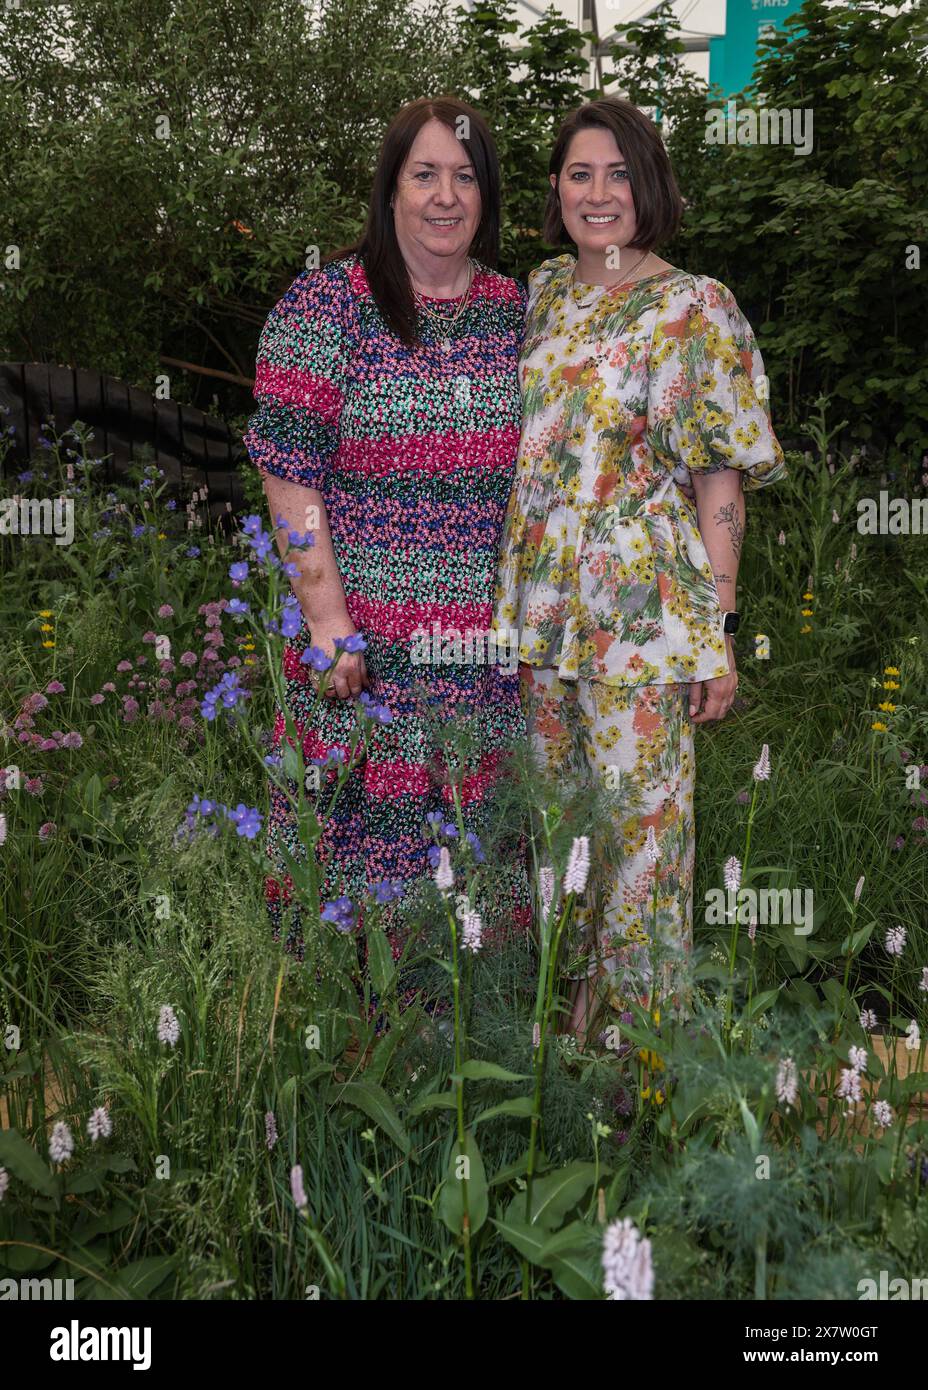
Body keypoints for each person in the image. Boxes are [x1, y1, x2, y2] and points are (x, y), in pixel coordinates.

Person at [494, 97, 787, 1041]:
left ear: (649, 186)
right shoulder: (541, 293)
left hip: (649, 633)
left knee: (643, 861)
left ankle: (646, 1071)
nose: (600, 192)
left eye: (619, 173)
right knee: (560, 848)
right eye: (581, 173)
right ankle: (565, 1055)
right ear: (556, 191)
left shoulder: (693, 305)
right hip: (541, 625)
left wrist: (721, 630)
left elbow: (721, 478)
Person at [243, 97, 530, 968]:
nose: (447, 196)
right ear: (391, 189)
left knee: (475, 899)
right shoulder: (329, 304)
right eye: (425, 174)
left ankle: (469, 1063)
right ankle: (347, 1071)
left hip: (481, 663)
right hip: (364, 662)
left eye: (466, 176)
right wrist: (327, 621)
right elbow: (289, 473)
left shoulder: (514, 311)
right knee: (363, 906)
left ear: (487, 195)